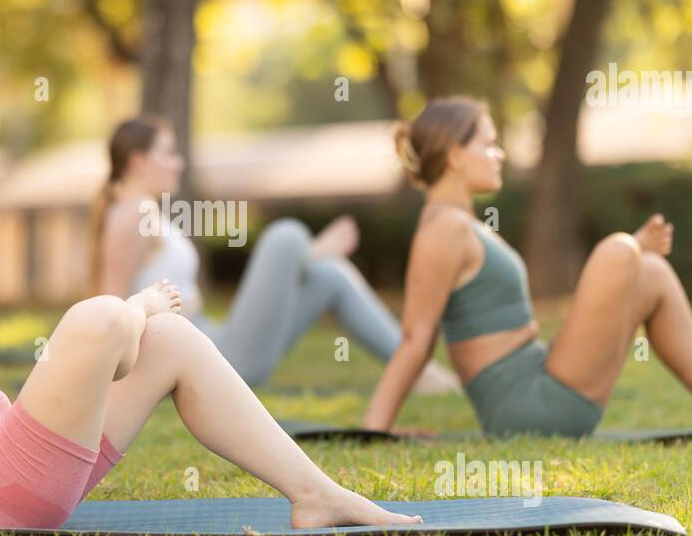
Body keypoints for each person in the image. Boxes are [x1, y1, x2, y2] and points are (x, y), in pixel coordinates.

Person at [0, 65, 421, 530]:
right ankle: (132, 317)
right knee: (103, 314)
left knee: (175, 340)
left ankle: (315, 493)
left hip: (7, 451)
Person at [363, 96, 692, 438]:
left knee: (650, 273)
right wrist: (373, 434)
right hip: (526, 409)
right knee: (617, 252)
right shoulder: (442, 229)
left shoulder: (460, 224)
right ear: (455, 156)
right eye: (489, 144)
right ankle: (633, 247)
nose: (498, 154)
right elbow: (415, 340)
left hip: (540, 384)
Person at [90, 116, 461, 393]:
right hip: (209, 357)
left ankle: (415, 370)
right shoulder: (130, 215)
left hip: (213, 339)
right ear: (138, 161)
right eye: (168, 153)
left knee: (329, 276)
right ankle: (307, 253)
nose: (178, 162)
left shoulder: (145, 212)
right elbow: (113, 310)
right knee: (284, 237)